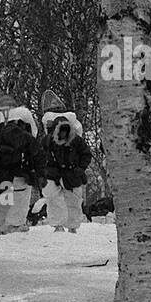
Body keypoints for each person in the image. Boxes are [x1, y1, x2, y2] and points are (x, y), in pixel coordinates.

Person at [0, 95, 45, 235]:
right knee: (19, 201)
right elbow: (39, 155)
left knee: (4, 202)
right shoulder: (27, 138)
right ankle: (14, 226)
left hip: (3, 176)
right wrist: (40, 174)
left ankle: (5, 228)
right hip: (21, 174)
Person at [40, 96, 92, 232]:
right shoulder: (51, 140)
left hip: (65, 172)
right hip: (61, 172)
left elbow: (86, 154)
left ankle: (65, 226)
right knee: (62, 199)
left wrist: (80, 169)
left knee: (65, 200)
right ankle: (65, 226)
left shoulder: (50, 139)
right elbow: (86, 154)